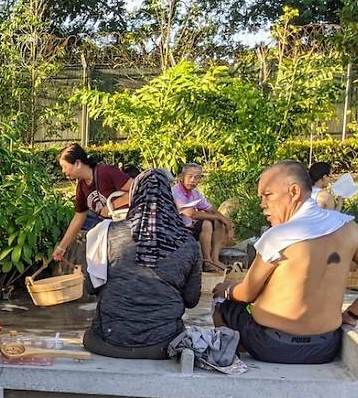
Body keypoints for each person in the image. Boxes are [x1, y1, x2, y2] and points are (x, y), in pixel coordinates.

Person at [214, 160, 358, 364]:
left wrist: (227, 289)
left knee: (221, 303)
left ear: (293, 191)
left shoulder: (279, 236)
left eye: (267, 195)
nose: (262, 204)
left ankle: (234, 368)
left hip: (271, 345)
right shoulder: (348, 228)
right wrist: (352, 315)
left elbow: (247, 293)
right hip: (325, 347)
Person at [83, 169, 202, 359]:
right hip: (163, 345)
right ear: (169, 198)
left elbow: (90, 287)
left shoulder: (105, 233)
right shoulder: (188, 244)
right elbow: (191, 300)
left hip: (107, 342)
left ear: (134, 195)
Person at [52, 143, 132, 263]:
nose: (63, 171)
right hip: (109, 228)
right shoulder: (81, 187)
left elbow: (139, 189)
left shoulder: (105, 172)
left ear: (78, 163)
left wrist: (112, 206)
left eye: (64, 166)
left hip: (127, 224)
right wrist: (62, 247)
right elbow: (79, 218)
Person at [171, 163, 235, 272]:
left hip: (192, 227)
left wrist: (226, 221)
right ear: (182, 176)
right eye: (190, 176)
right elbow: (192, 214)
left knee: (217, 221)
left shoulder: (195, 193)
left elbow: (212, 209)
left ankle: (215, 259)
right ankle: (207, 261)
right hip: (178, 228)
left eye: (196, 177)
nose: (193, 180)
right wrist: (218, 218)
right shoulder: (175, 192)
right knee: (207, 222)